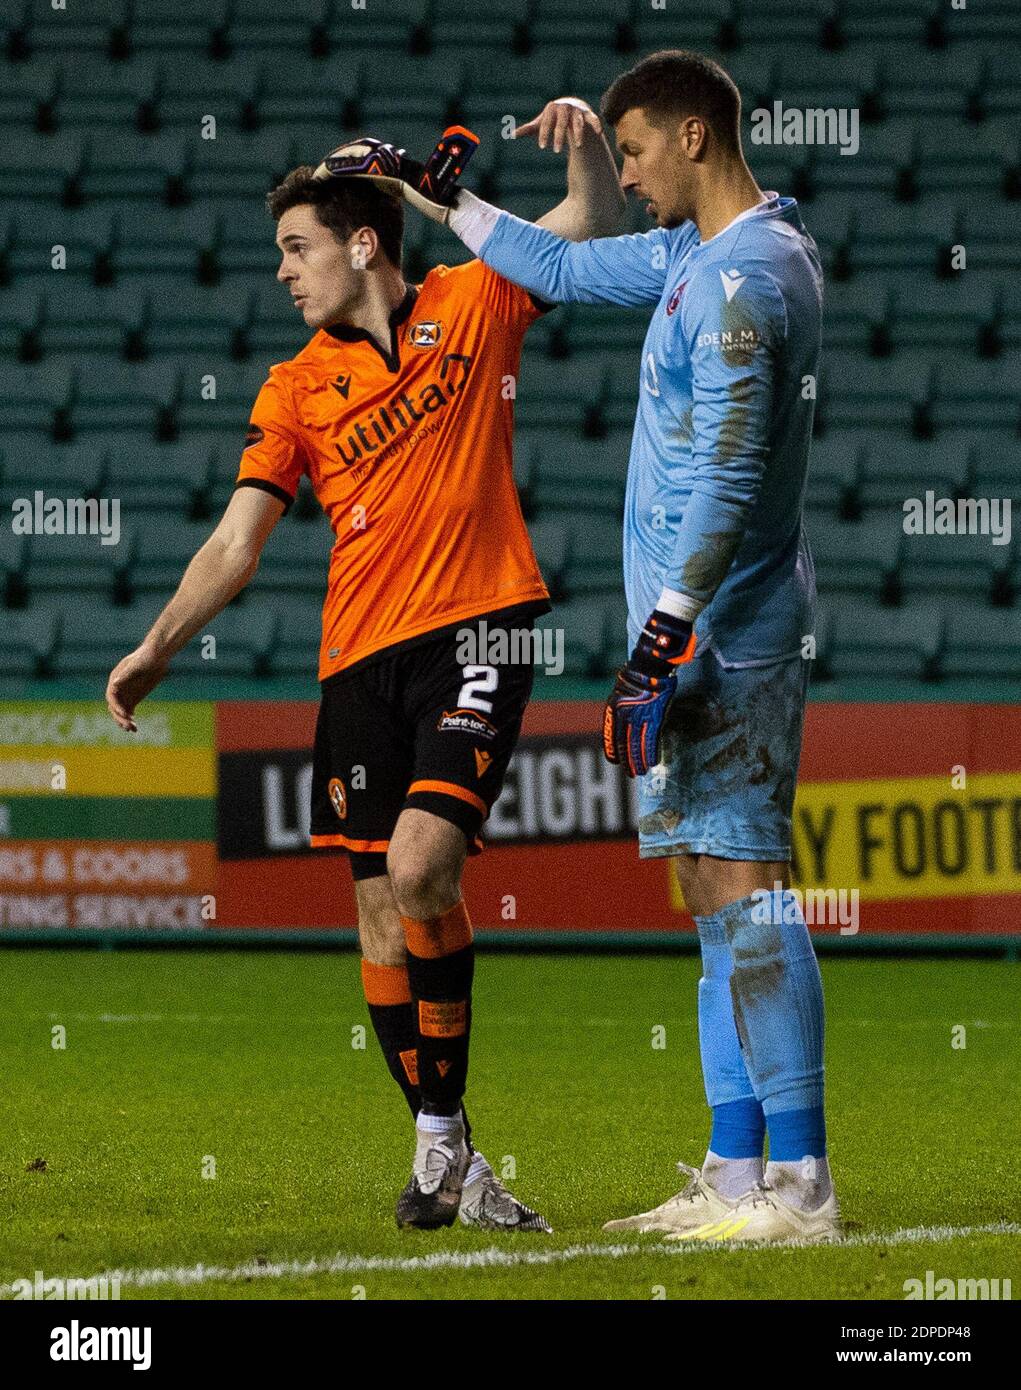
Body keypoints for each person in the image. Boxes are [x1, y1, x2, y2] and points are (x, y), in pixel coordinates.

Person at [105, 108, 624, 1232]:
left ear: (361, 243)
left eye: (296, 247)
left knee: (424, 864)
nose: (282, 272)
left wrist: (583, 143)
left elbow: (589, 222)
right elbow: (237, 541)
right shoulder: (292, 388)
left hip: (481, 627)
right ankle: (448, 1147)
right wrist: (157, 648)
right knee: (383, 915)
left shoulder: (473, 300)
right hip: (356, 662)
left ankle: (444, 1143)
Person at [399, 49, 839, 1243]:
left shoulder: (751, 278)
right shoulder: (696, 254)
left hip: (726, 635)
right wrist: (448, 204)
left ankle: (800, 1180)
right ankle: (735, 1169)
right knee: (707, 893)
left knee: (746, 887)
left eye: (637, 152)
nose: (628, 177)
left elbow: (733, 476)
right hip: (690, 635)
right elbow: (556, 261)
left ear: (694, 138)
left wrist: (660, 640)